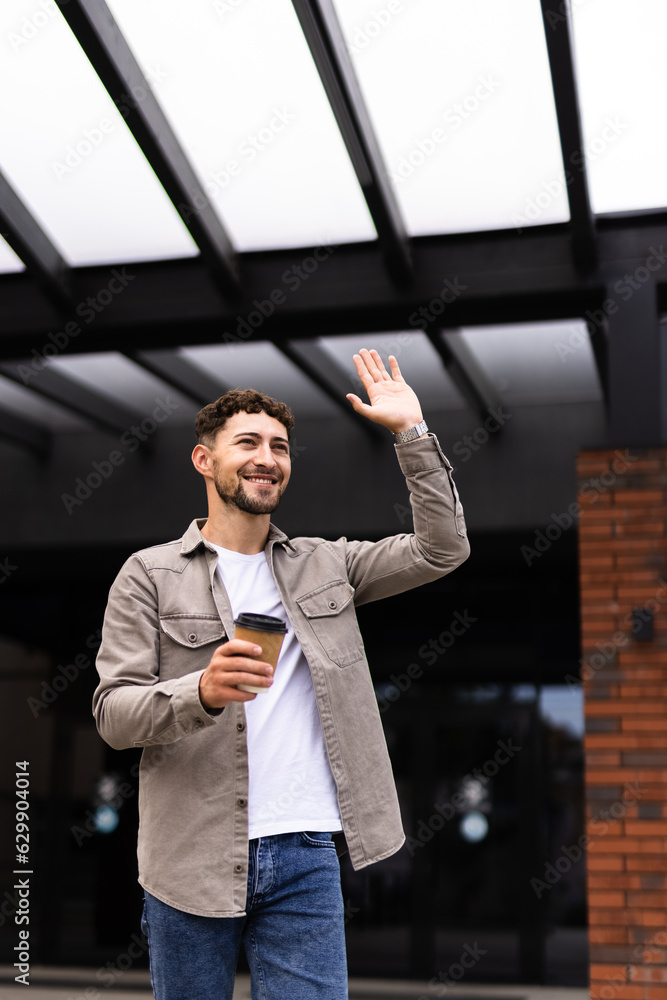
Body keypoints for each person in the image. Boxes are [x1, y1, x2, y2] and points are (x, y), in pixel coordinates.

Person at [93, 348, 469, 1000]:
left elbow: (442, 548)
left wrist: (411, 434)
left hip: (304, 853)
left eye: (280, 446)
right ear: (204, 460)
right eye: (248, 442)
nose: (268, 457)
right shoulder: (147, 574)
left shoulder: (326, 565)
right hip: (189, 853)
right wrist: (200, 691)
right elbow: (114, 716)